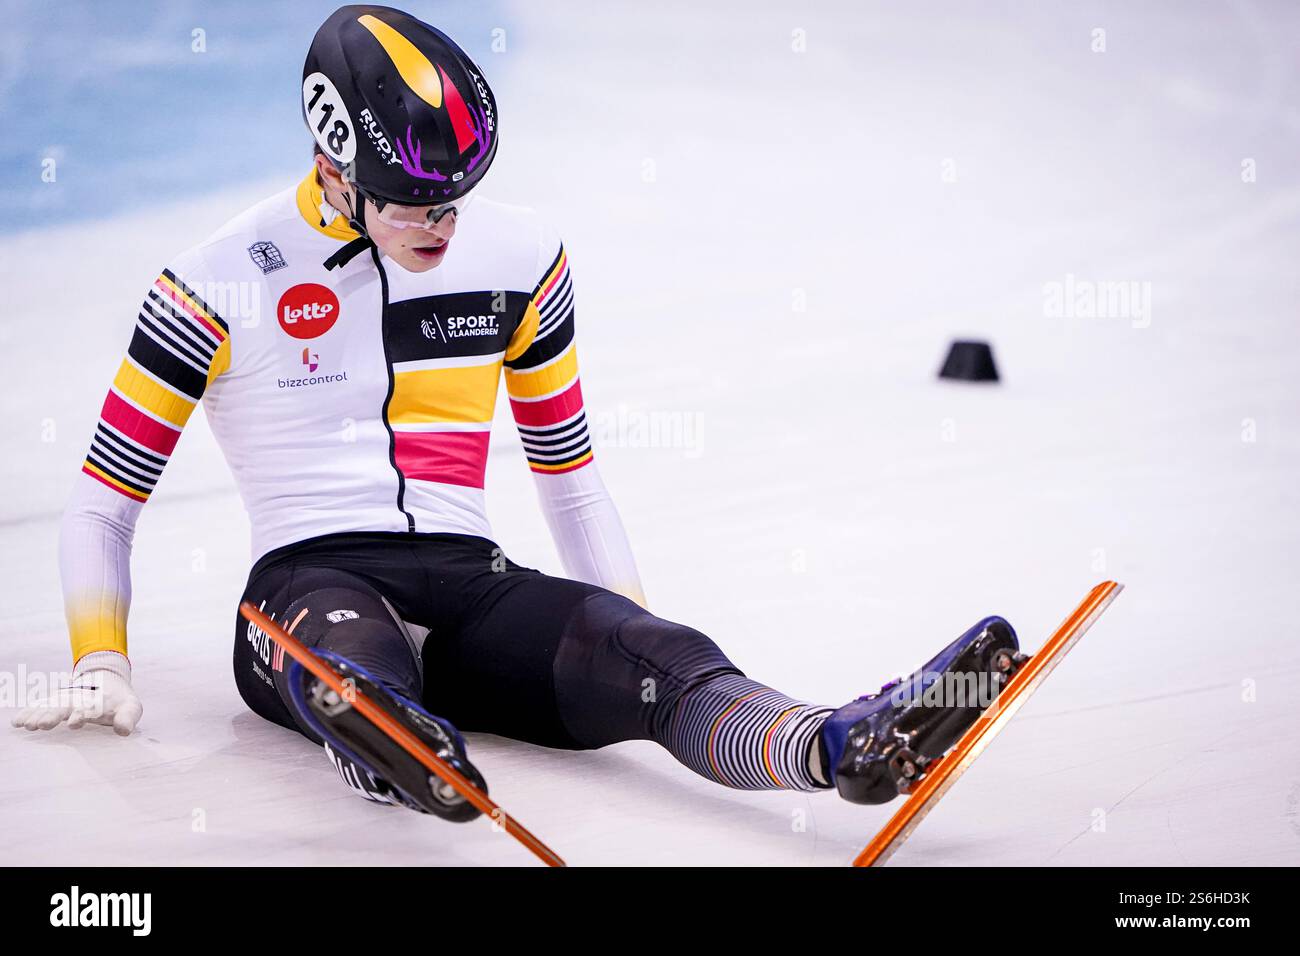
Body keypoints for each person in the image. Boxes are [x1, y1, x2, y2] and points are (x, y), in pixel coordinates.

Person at [13, 4, 1020, 819]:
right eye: (412, 202)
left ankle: (836, 742)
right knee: (354, 675)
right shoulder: (212, 280)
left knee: (661, 664)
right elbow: (107, 497)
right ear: (333, 165)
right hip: (302, 580)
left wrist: (633, 625)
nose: (440, 226)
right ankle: (397, 746)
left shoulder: (523, 258)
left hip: (472, 583)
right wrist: (103, 658)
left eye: (457, 198)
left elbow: (568, 476)